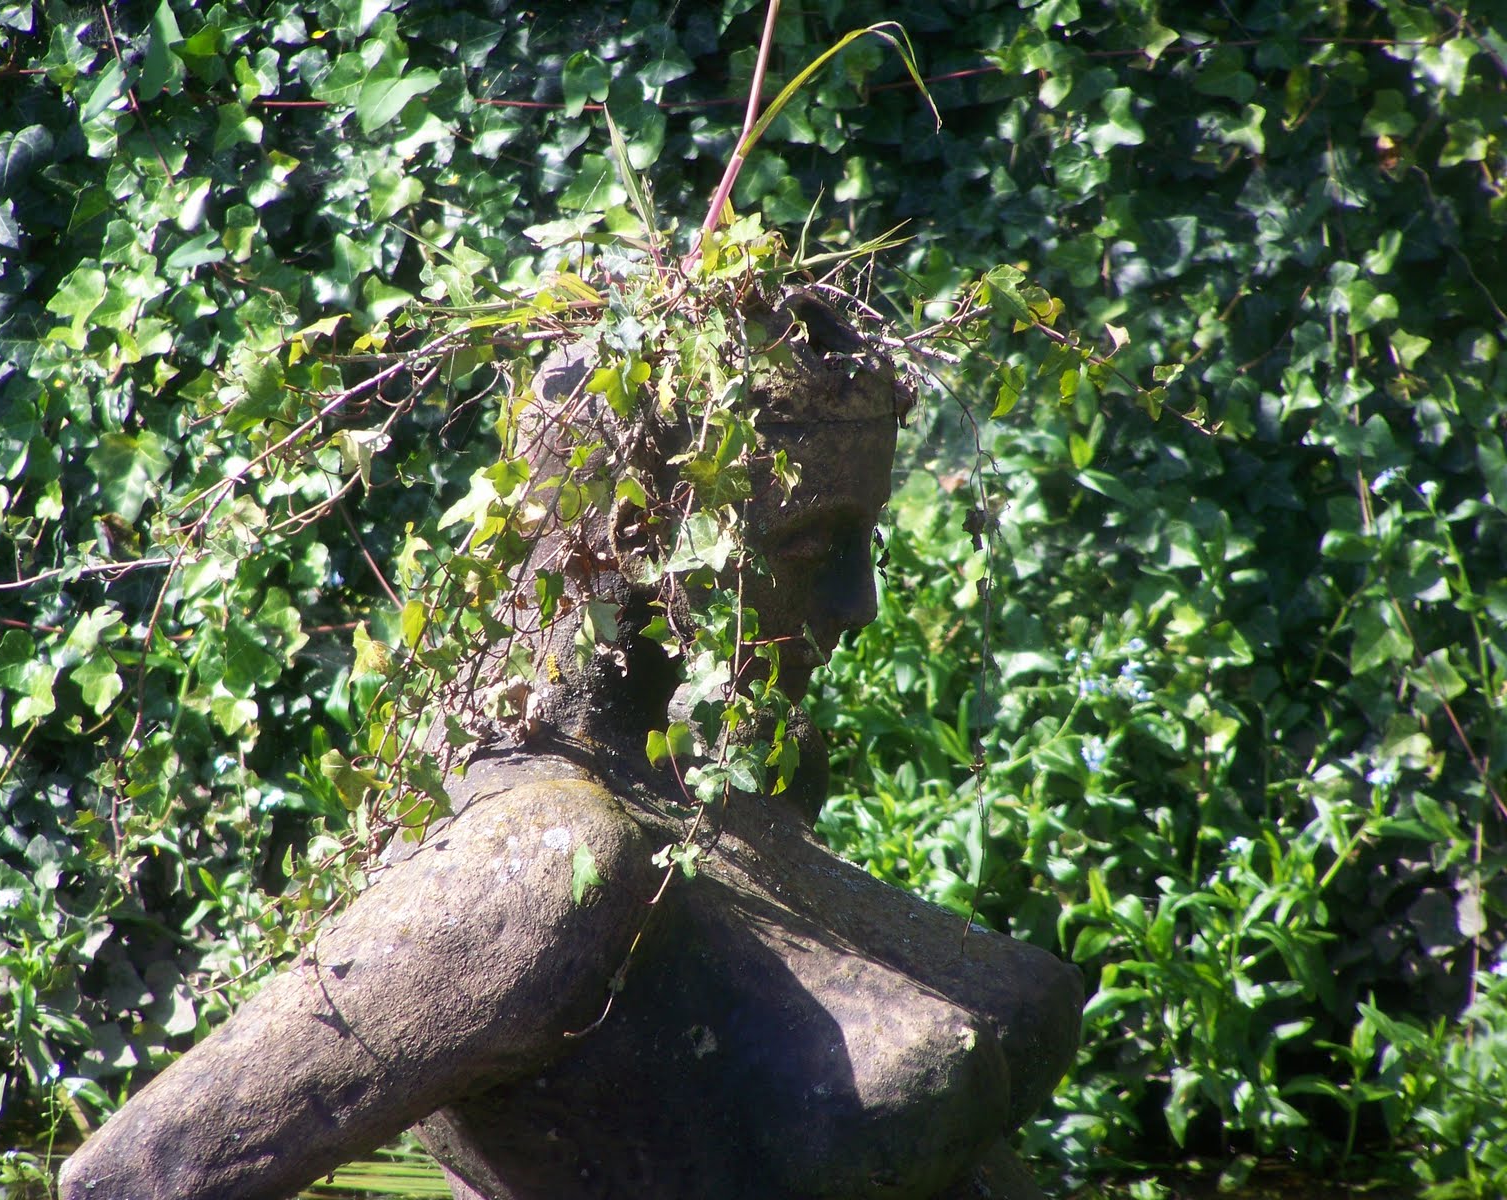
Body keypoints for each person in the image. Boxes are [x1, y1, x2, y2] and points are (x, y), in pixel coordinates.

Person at [59, 303, 1083, 1200]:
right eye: (813, 546)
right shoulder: (547, 861)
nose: (859, 607)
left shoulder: (741, 798)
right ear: (630, 543)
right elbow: (141, 1176)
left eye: (866, 545)